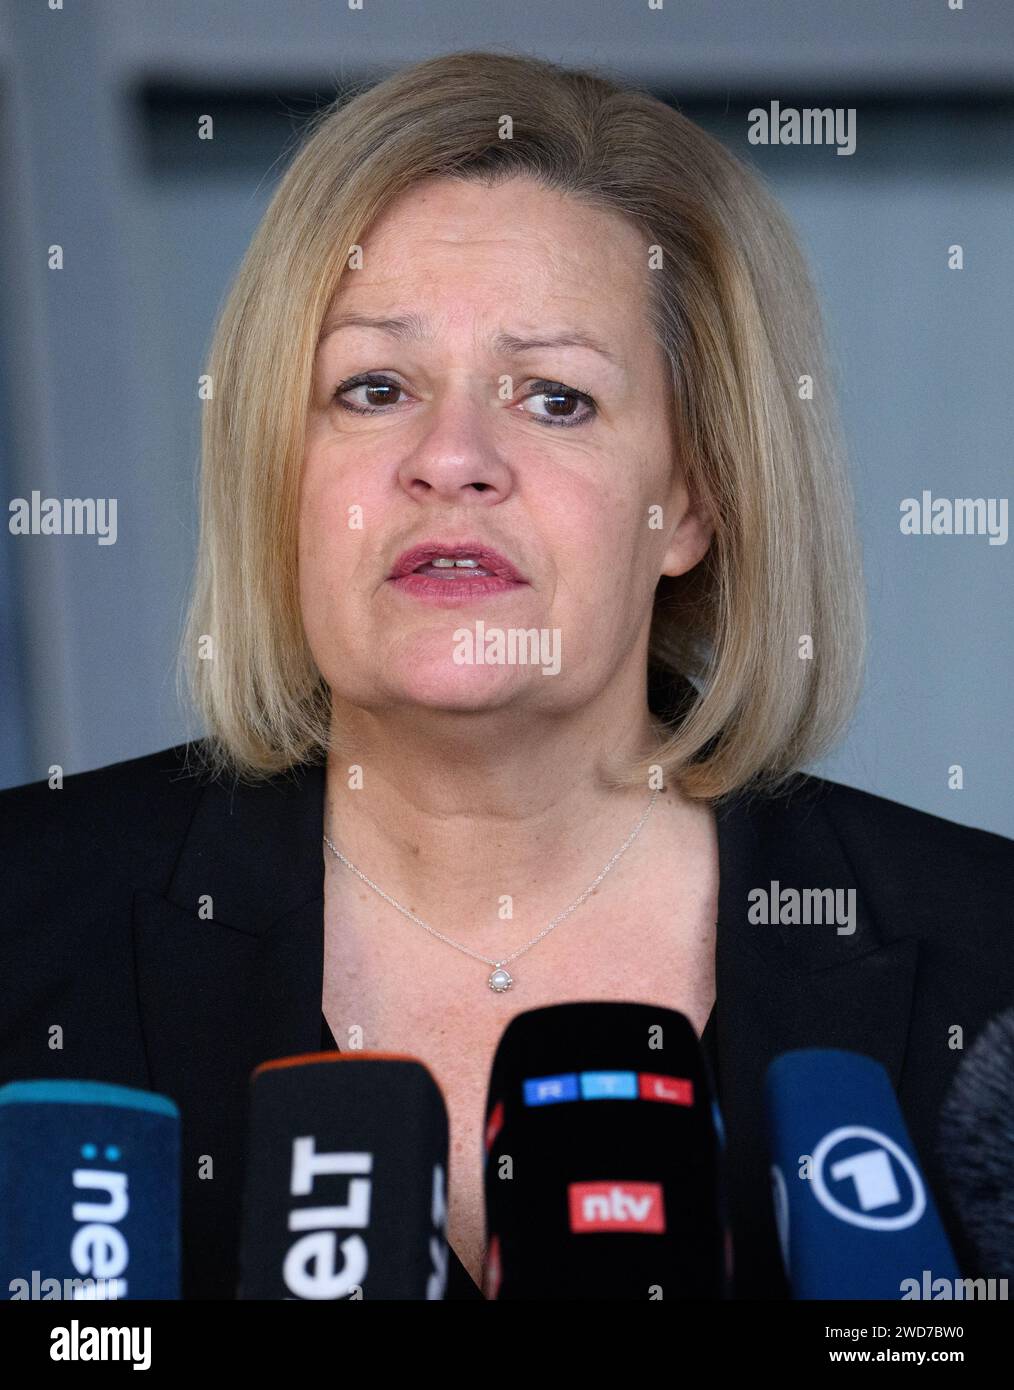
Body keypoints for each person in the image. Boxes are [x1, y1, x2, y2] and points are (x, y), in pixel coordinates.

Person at [2, 50, 1012, 1300]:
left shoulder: (991, 960)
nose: (453, 460)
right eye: (373, 388)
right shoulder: (25, 913)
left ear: (691, 499)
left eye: (554, 398)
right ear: (280, 475)